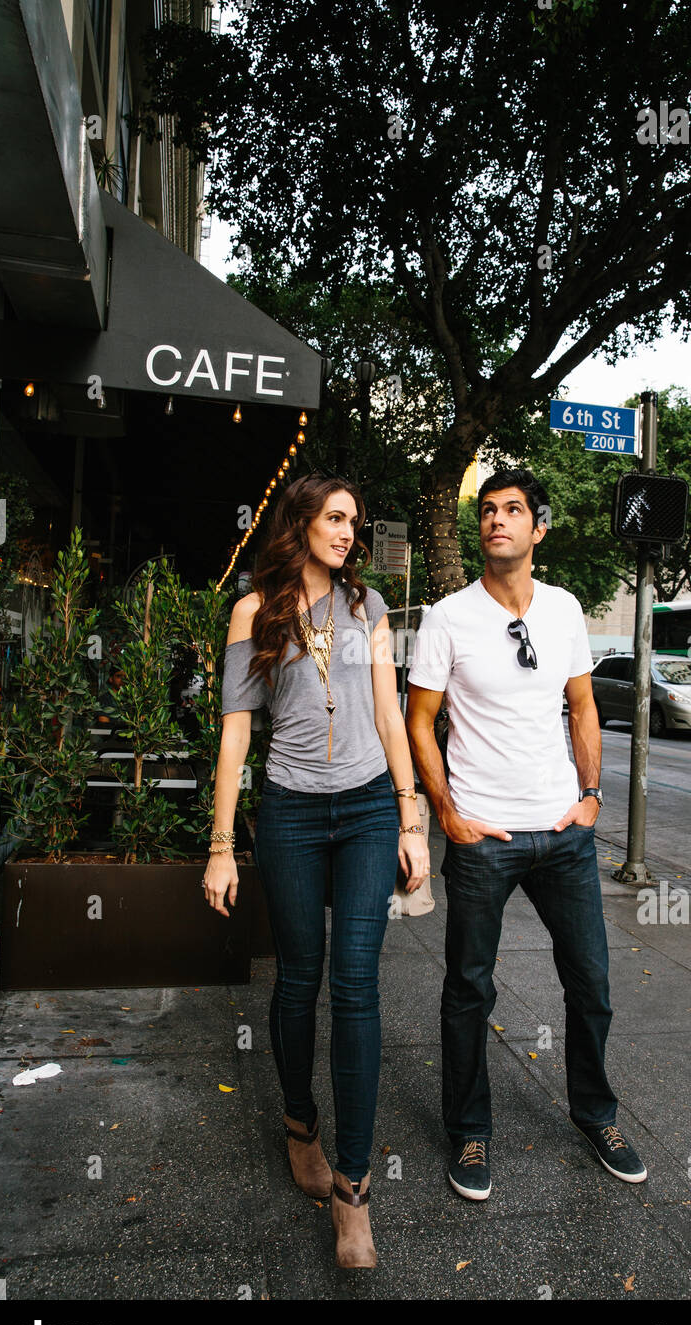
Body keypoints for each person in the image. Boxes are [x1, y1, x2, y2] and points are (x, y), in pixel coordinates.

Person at [203, 473, 430, 1268]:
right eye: (335, 519)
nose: (348, 532)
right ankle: (301, 1125)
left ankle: (355, 1191)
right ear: (299, 524)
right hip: (293, 813)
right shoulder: (252, 613)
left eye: (355, 522)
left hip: (367, 808)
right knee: (299, 980)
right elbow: (236, 731)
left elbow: (388, 712)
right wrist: (222, 844)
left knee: (356, 982)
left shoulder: (367, 609)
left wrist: (410, 816)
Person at [406, 467, 646, 1200]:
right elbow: (420, 720)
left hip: (562, 835)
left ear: (538, 529)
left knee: (592, 984)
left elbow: (581, 707)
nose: (496, 520)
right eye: (487, 510)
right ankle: (470, 1135)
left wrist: (591, 798)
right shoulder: (449, 617)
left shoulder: (567, 608)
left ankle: (595, 1113)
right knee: (469, 992)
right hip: (483, 838)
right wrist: (446, 816)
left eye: (512, 510)